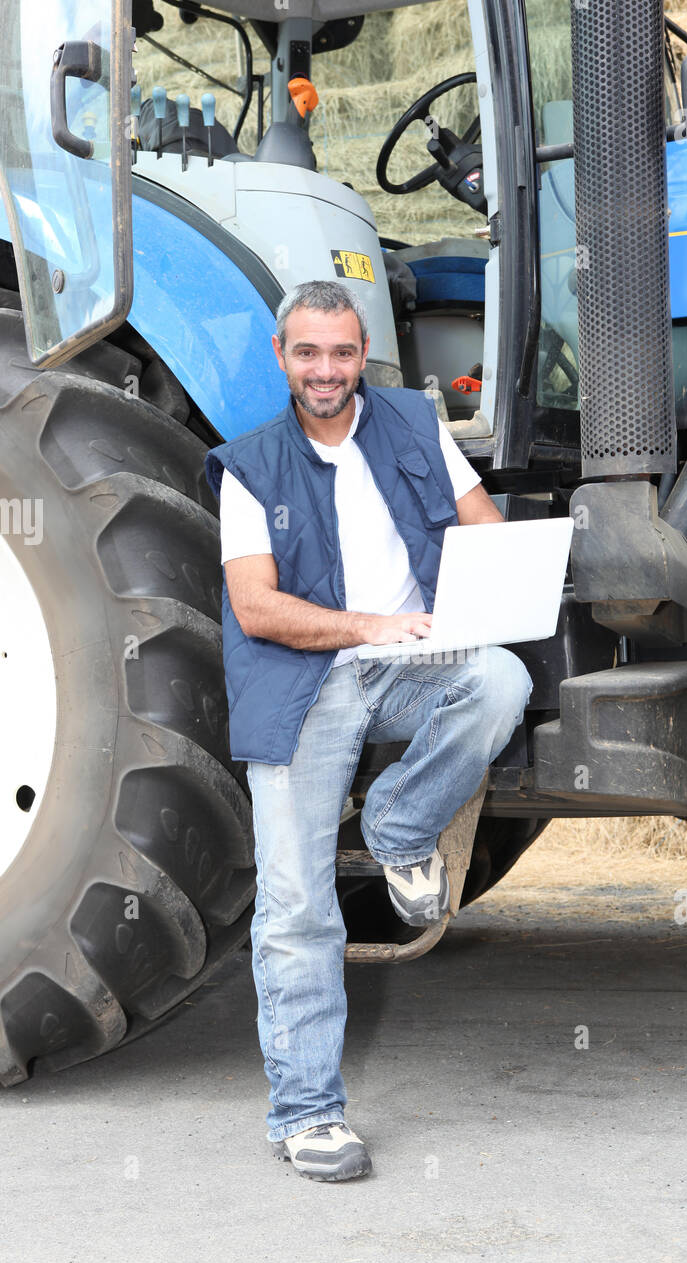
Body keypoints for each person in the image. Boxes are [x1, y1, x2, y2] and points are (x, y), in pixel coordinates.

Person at [205, 279, 532, 1182]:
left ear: (362, 357)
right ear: (283, 358)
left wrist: (497, 587)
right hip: (303, 684)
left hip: (408, 668)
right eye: (307, 353)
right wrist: (366, 625)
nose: (325, 370)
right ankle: (308, 1114)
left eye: (341, 352)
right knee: (298, 907)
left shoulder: (412, 424)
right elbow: (257, 608)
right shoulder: (250, 467)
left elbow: (485, 532)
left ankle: (398, 828)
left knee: (502, 678)